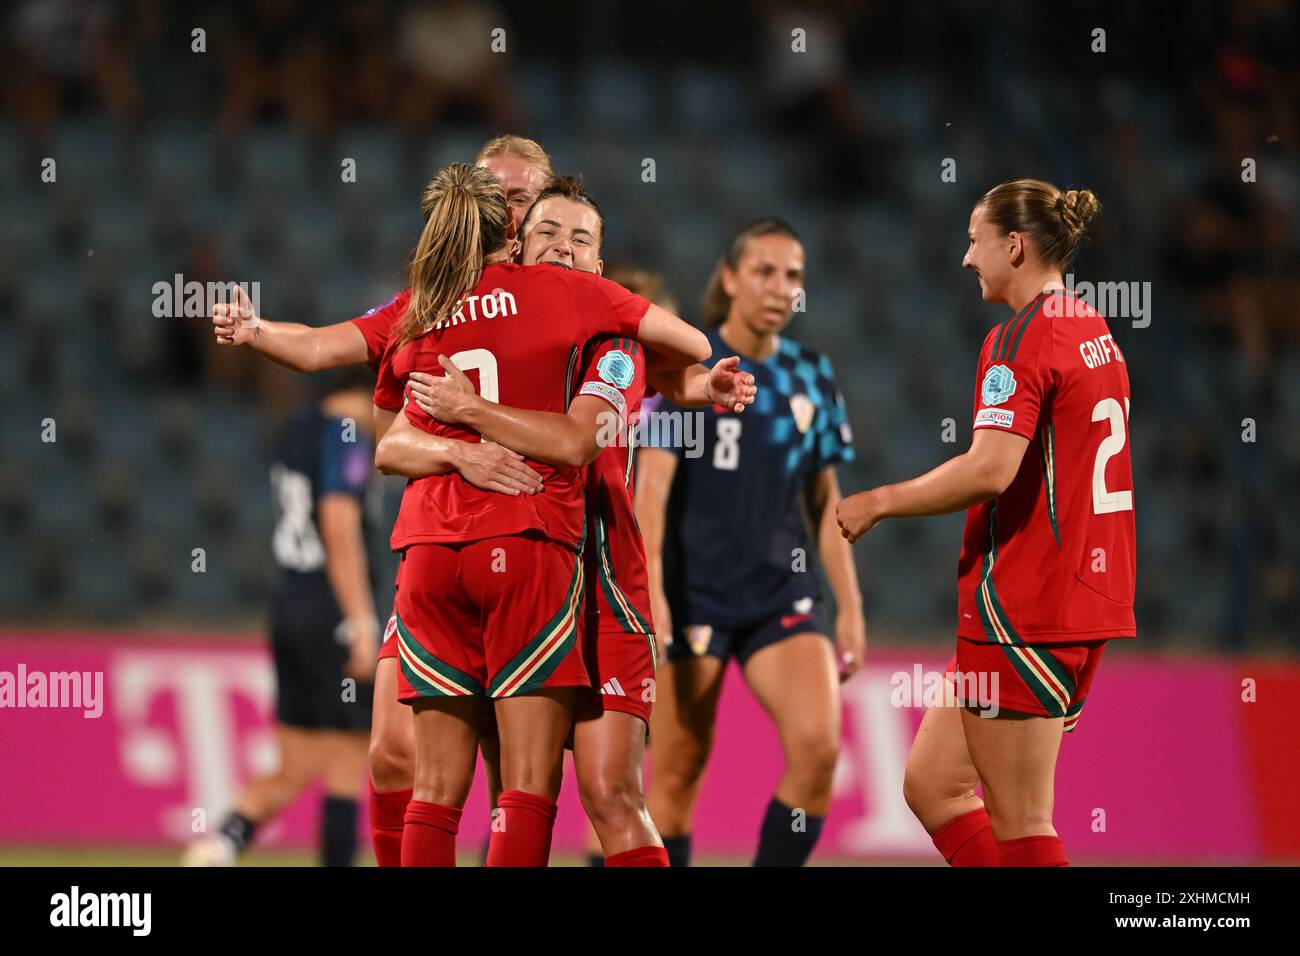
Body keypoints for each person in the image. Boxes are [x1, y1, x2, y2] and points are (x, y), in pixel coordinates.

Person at [210, 135, 552, 866]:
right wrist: (258, 330)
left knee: (523, 779)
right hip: (434, 557)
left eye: (523, 198)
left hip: (538, 558)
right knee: (393, 755)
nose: (511, 216)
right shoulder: (425, 309)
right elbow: (326, 352)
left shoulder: (571, 301)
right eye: (498, 199)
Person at [393, 177, 755, 866]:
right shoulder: (487, 324)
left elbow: (578, 438)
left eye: (581, 239)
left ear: (598, 265)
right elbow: (393, 441)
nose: (563, 246)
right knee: (504, 784)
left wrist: (467, 416)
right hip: (523, 569)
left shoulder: (615, 348)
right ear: (518, 249)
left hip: (604, 586)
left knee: (611, 794)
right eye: (548, 233)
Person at [837, 180, 1134, 867]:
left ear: (1015, 245)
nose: (966, 257)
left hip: (1028, 606)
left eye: (975, 240)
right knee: (934, 787)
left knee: (1024, 821)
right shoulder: (1093, 328)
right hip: (1084, 598)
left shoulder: (1019, 339)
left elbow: (989, 470)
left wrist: (880, 500)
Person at [638, 218, 866, 867]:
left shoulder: (811, 376)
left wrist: (849, 605)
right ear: (732, 278)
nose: (781, 288)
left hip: (779, 592)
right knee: (677, 778)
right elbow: (650, 492)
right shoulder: (689, 367)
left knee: (819, 752)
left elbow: (824, 501)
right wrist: (651, 592)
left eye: (793, 276)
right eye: (764, 271)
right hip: (693, 596)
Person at [183, 368, 379, 866]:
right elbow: (338, 525)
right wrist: (359, 620)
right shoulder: (345, 432)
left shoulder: (298, 427)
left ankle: (219, 844)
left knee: (295, 768)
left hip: (288, 605)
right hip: (329, 608)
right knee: (346, 764)